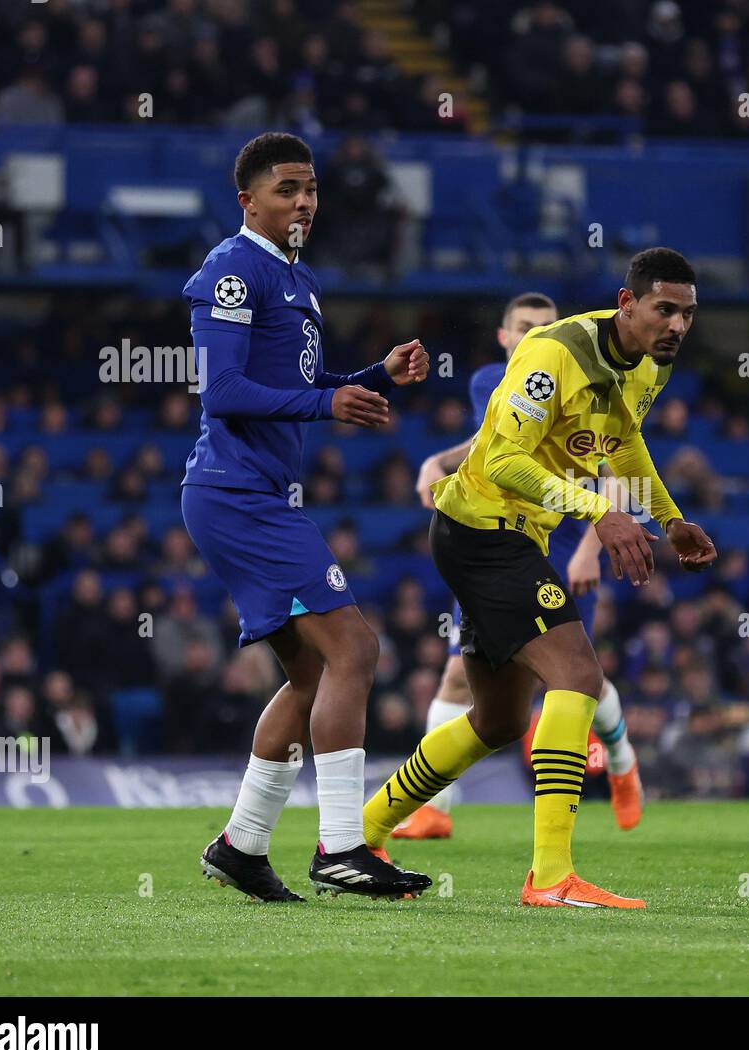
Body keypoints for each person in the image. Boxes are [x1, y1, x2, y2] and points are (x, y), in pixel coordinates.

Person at [362, 248, 717, 908]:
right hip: (483, 528)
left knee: (497, 718)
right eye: (665, 309)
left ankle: (367, 829)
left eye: (688, 314)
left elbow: (625, 442)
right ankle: (551, 876)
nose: (676, 325)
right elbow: (499, 462)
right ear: (627, 302)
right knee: (578, 675)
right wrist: (599, 510)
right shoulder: (554, 353)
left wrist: (669, 520)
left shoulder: (643, 366)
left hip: (512, 536)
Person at [181, 131, 433, 902]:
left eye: (312, 189)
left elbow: (297, 378)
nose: (304, 202)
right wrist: (328, 402)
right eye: (288, 189)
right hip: (235, 492)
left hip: (252, 493)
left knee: (315, 669)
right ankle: (342, 847)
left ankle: (242, 844)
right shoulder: (230, 270)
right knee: (356, 645)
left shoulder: (296, 276)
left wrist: (367, 377)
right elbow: (222, 390)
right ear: (248, 201)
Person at [392, 292, 643, 841]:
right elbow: (493, 445)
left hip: (569, 540)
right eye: (526, 327)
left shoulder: (587, 379)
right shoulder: (490, 381)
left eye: (548, 327)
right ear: (505, 337)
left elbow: (613, 466)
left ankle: (621, 762)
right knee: (463, 676)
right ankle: (432, 810)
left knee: (577, 678)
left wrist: (587, 550)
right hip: (495, 544)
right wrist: (439, 461)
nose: (538, 335)